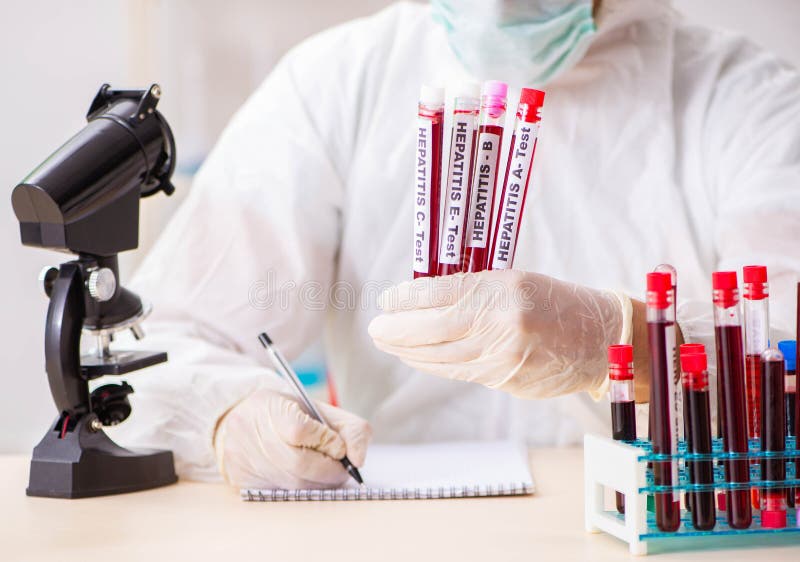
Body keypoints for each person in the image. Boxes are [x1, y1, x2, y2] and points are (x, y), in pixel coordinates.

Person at [111, 0, 800, 489]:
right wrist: (228, 417)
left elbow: (787, 347)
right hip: (406, 524)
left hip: (660, 519)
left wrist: (624, 342)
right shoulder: (338, 82)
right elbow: (164, 341)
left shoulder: (746, 98)